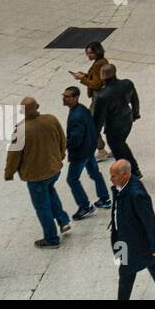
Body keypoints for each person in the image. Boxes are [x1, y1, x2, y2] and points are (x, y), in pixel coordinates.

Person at [3, 96, 71, 248]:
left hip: (36, 175)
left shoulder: (21, 130)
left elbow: (13, 155)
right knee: (51, 192)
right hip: (54, 169)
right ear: (38, 106)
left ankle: (52, 239)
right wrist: (60, 157)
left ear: (22, 111)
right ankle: (63, 221)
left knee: (42, 207)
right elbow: (62, 139)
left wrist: (9, 173)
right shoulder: (51, 119)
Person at [109, 160, 155, 300]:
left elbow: (150, 221)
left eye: (114, 176)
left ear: (125, 175)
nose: (111, 179)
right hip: (125, 237)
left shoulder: (136, 194)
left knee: (126, 272)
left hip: (132, 242)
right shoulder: (122, 186)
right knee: (153, 263)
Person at [62, 85, 112, 221]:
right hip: (89, 149)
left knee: (72, 179)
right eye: (64, 95)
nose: (64, 98)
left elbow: (76, 138)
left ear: (76, 97)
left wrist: (65, 145)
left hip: (80, 153)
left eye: (67, 96)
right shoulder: (82, 109)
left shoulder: (76, 115)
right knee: (95, 173)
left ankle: (85, 206)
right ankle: (105, 198)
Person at [93, 63, 142, 179]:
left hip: (113, 126)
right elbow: (135, 99)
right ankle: (135, 170)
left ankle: (131, 173)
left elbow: (98, 118)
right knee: (122, 145)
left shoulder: (102, 96)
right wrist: (135, 113)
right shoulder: (127, 84)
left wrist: (94, 134)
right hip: (127, 119)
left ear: (103, 75)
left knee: (119, 151)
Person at [70, 40, 111, 160]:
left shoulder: (99, 64)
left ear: (97, 52)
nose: (88, 55)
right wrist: (84, 75)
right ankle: (114, 147)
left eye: (90, 53)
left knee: (90, 123)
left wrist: (82, 79)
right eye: (87, 53)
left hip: (99, 99)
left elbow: (96, 84)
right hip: (103, 98)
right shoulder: (101, 61)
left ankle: (101, 150)